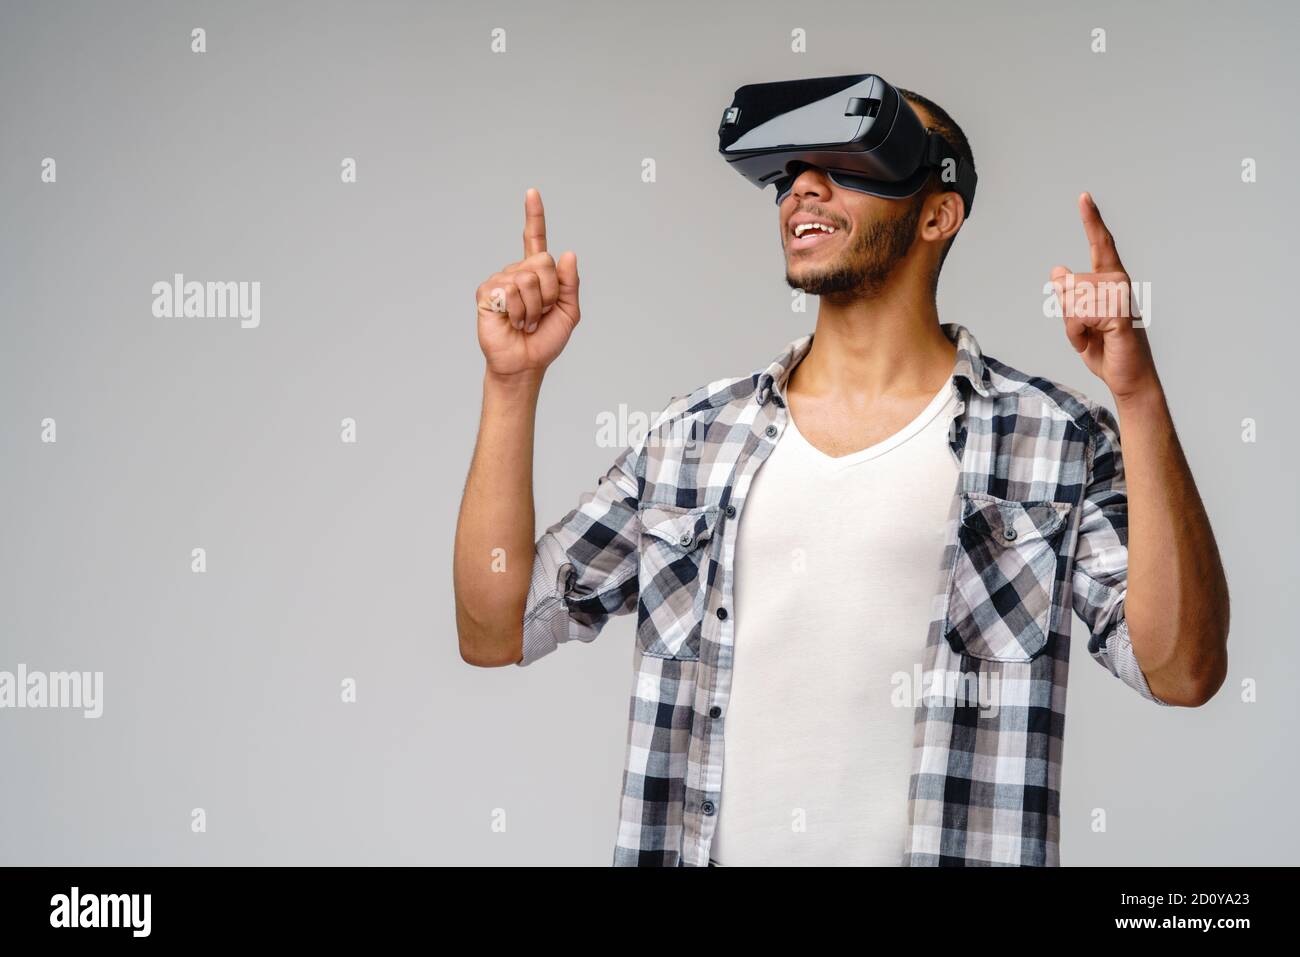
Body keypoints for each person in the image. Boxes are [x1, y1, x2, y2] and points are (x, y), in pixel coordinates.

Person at [452, 89, 1230, 867]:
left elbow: (1182, 668)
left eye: (847, 162)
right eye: (790, 172)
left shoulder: (1052, 439)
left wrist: (1138, 396)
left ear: (937, 214)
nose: (801, 188)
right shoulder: (694, 439)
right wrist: (510, 385)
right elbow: (497, 627)